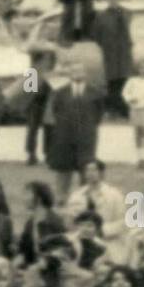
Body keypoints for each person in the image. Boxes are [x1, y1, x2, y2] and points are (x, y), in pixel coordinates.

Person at [46, 61, 102, 199]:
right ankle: (61, 198)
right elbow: (56, 111)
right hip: (65, 137)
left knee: (86, 169)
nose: (77, 73)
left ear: (85, 73)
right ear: (69, 74)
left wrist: (87, 128)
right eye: (74, 71)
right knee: (64, 169)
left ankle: (84, 198)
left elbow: (98, 115)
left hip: (86, 137)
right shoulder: (60, 92)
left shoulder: (96, 93)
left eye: (80, 70)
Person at [64, 159, 129, 265]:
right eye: (87, 171)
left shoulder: (114, 195)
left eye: (94, 170)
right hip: (80, 240)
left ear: (102, 173)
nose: (90, 174)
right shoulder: (76, 196)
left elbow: (123, 222)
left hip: (108, 241)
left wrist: (101, 231)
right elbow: (69, 222)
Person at [88, 0, 132, 116]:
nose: (113, 0)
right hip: (109, 52)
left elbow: (129, 30)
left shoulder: (126, 13)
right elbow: (95, 35)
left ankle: (123, 108)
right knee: (111, 81)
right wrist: (103, 45)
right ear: (107, 0)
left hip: (124, 52)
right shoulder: (101, 16)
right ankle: (112, 108)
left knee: (124, 80)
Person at [16, 180, 66, 267]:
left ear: (39, 198)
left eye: (27, 194)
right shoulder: (30, 222)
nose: (24, 198)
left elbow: (61, 250)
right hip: (33, 266)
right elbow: (24, 250)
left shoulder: (54, 221)